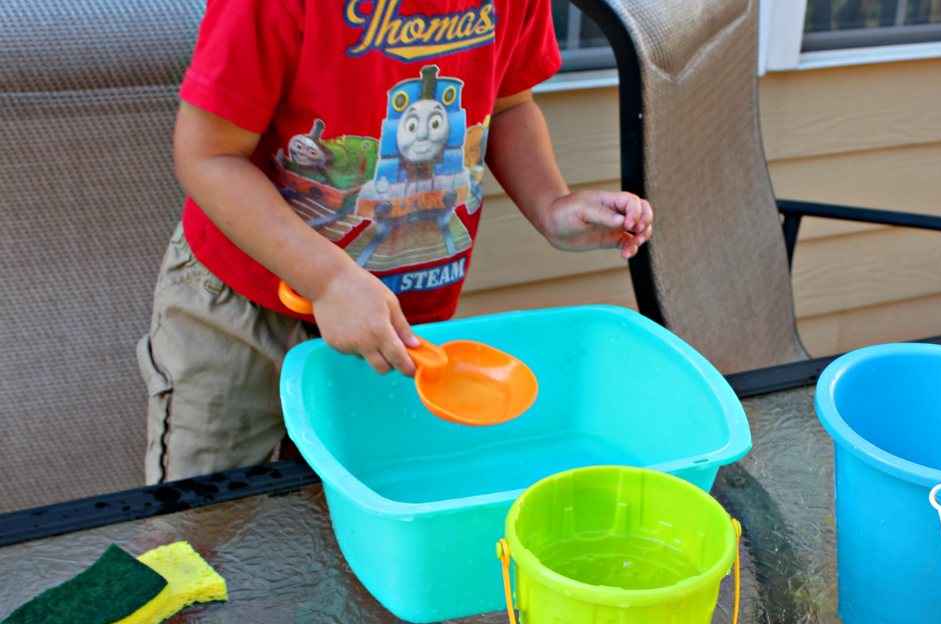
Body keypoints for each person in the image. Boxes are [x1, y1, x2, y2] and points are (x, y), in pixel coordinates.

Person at [138, 0, 653, 484]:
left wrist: (550, 205)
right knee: (195, 524)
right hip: (240, 313)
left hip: (397, 327)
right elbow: (209, 156)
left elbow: (510, 104)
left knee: (346, 507)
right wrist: (328, 279)